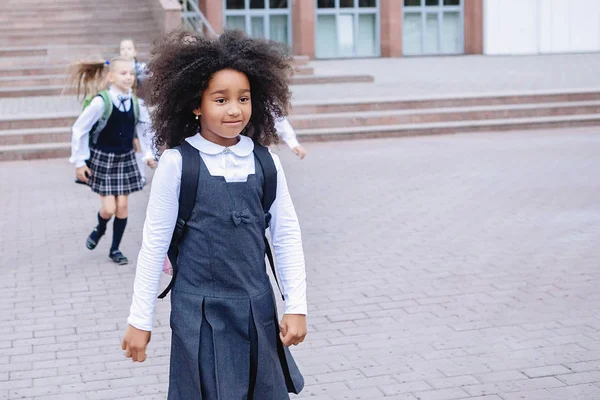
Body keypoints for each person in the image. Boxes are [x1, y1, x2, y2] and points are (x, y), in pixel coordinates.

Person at [121, 30, 307, 399]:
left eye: (243, 99)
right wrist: (139, 319)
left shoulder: (265, 161)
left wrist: (296, 305)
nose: (234, 109)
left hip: (258, 310)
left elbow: (285, 234)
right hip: (199, 314)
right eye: (220, 100)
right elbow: (153, 244)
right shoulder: (178, 163)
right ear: (196, 104)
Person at [68, 56, 155, 265]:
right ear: (110, 76)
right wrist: (79, 162)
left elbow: (145, 130)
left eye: (132, 74)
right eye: (123, 73)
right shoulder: (101, 101)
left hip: (125, 159)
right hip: (104, 160)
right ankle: (100, 229)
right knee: (109, 209)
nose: (128, 77)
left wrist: (149, 154)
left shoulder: (137, 103)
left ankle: (115, 249)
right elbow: (80, 128)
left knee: (123, 207)